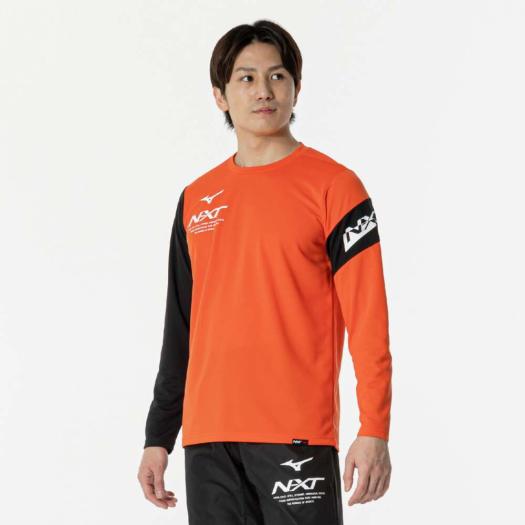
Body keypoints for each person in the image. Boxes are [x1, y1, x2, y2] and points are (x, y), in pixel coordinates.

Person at [137, 19, 393, 525]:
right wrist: (158, 436)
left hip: (295, 435)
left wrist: (374, 428)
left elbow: (368, 319)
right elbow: (181, 328)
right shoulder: (197, 199)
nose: (264, 91)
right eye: (246, 78)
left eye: (277, 76)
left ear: (296, 87)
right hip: (208, 440)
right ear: (220, 95)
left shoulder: (336, 188)